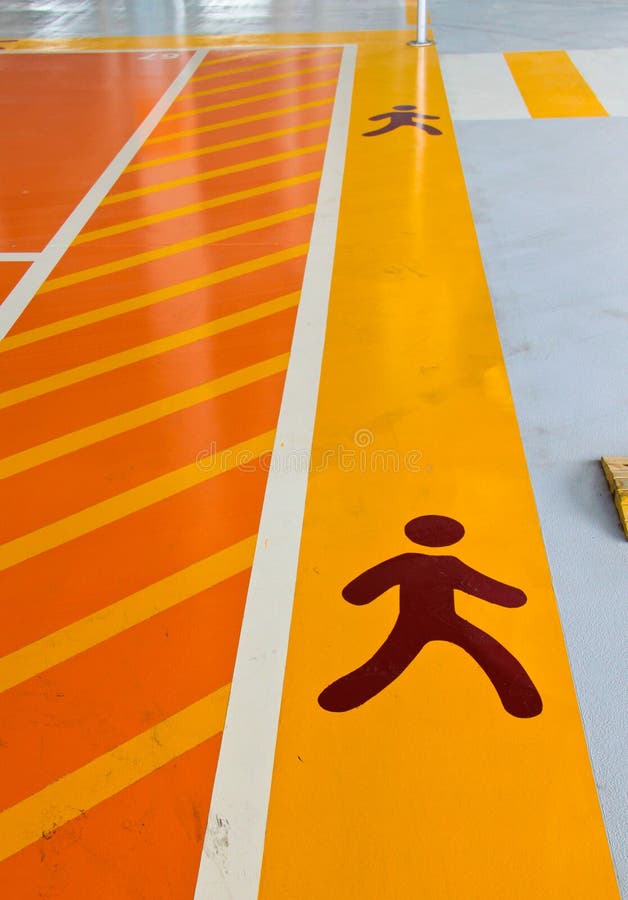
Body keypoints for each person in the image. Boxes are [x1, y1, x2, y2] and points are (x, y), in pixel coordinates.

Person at [318, 515, 542, 718]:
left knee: (386, 662)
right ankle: (520, 698)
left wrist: (360, 594)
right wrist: (514, 597)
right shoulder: (445, 564)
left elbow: (357, 593)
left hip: (416, 623)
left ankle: (342, 696)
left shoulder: (412, 562)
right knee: (486, 648)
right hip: (435, 622)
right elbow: (488, 589)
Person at [363, 105, 442, 137]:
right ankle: (433, 131)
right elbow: (423, 117)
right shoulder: (410, 113)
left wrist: (374, 119)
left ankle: (433, 131)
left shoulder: (394, 113)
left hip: (396, 123)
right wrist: (434, 118)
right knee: (421, 125)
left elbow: (423, 116)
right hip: (397, 123)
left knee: (385, 129)